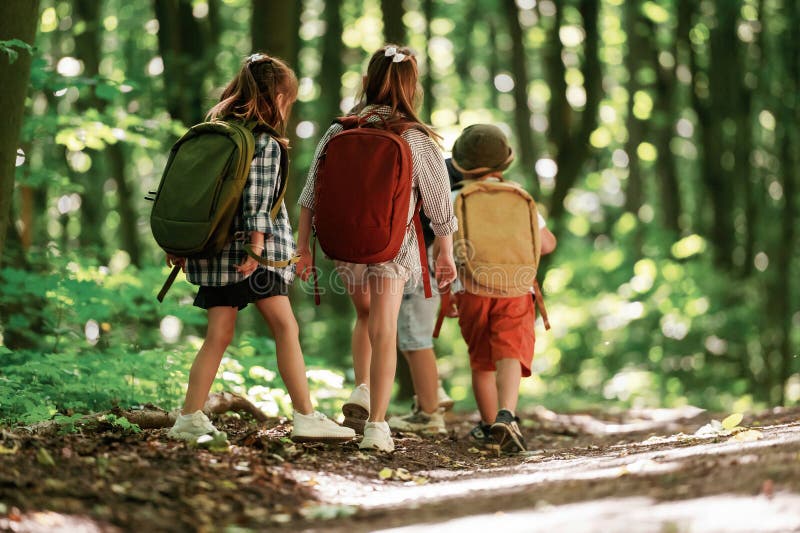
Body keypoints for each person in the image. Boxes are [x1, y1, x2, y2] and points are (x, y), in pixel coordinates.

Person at [166, 53, 354, 444]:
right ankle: (305, 416)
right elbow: (258, 199)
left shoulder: (214, 133)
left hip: (211, 248)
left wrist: (182, 243)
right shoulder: (264, 141)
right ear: (279, 96)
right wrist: (255, 248)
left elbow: (191, 194)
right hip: (253, 255)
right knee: (286, 327)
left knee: (218, 333)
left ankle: (189, 418)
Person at [296, 44, 458, 452]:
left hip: (344, 246)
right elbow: (440, 204)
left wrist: (304, 247)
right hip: (393, 249)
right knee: (384, 327)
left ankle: (363, 386)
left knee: (363, 314)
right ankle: (377, 426)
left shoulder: (340, 130)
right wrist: (446, 252)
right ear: (412, 87)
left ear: (366, 81)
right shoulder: (416, 138)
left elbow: (311, 192)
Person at [448, 124, 557, 453]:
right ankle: (507, 416)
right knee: (510, 352)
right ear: (504, 162)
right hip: (516, 289)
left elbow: (444, 248)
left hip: (470, 289)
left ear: (461, 164)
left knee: (482, 361)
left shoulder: (455, 197)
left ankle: (487, 423)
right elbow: (548, 243)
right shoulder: (518, 196)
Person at [387, 162, 462, 435]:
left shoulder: (437, 169)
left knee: (415, 338)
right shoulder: (462, 180)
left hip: (416, 260)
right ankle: (431, 398)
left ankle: (429, 414)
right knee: (412, 337)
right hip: (428, 261)